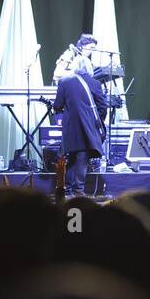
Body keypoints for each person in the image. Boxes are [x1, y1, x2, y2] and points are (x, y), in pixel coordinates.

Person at [52, 53, 108, 198]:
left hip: (71, 126)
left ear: (74, 67)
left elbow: (58, 105)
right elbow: (102, 107)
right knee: (82, 157)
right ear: (89, 67)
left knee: (69, 156)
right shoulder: (95, 83)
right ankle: (79, 190)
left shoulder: (64, 81)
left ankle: (67, 190)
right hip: (87, 127)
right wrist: (96, 122)